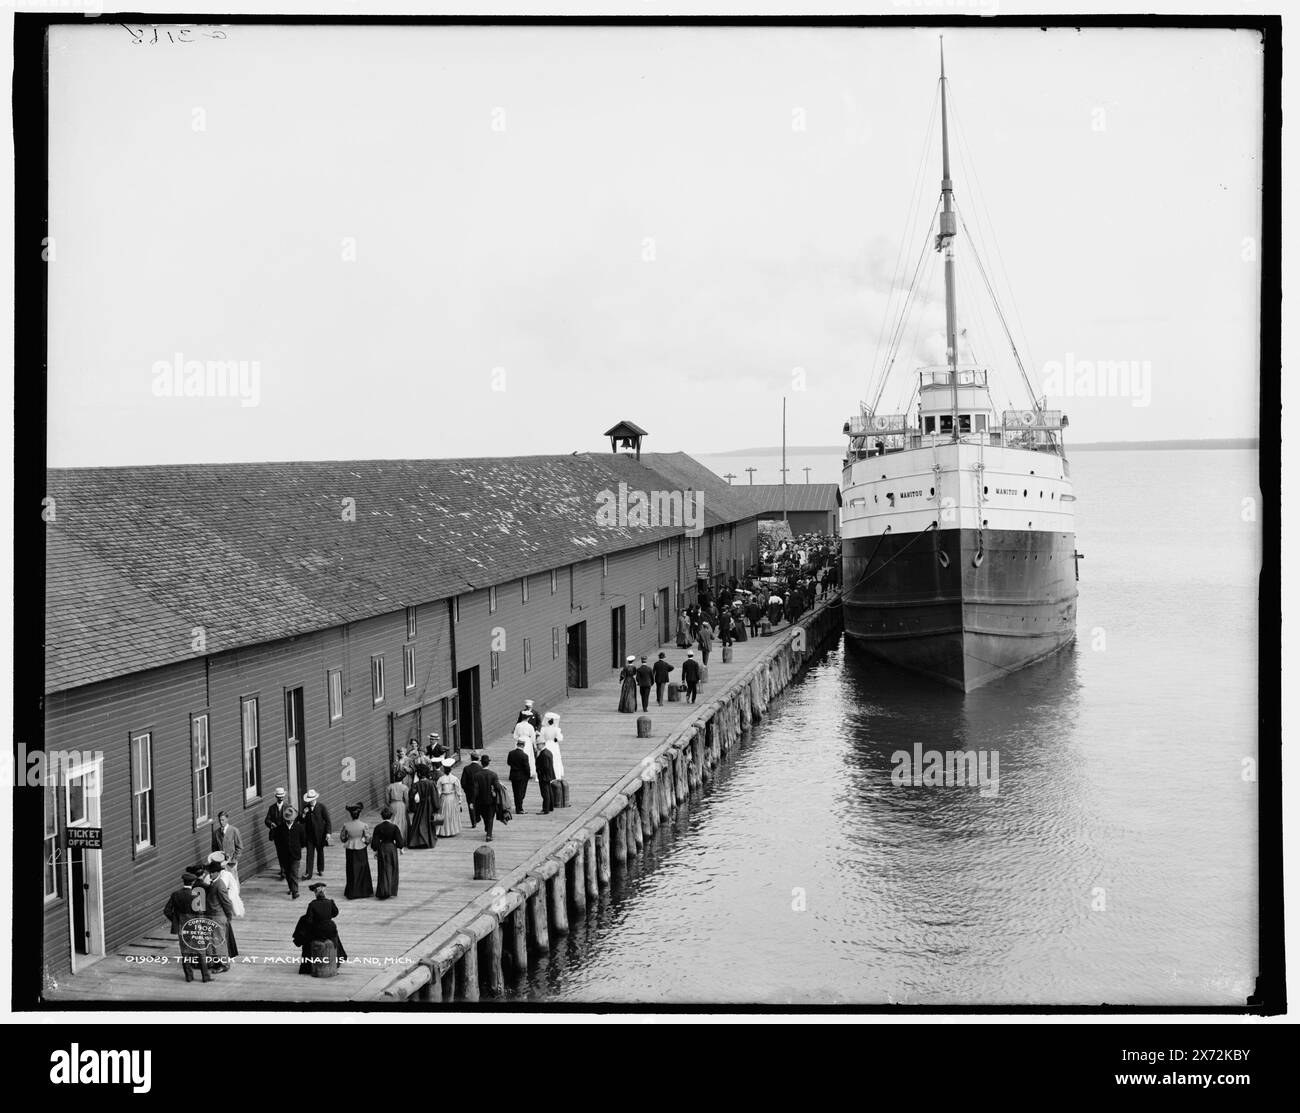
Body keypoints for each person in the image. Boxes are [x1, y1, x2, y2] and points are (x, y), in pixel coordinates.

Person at [162, 871, 213, 983]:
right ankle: (205, 976)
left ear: (183, 882)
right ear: (193, 882)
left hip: (182, 927)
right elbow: (200, 914)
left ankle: (189, 977)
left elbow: (167, 911)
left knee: (185, 952)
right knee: (200, 952)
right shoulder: (196, 895)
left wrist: (176, 921)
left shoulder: (175, 894)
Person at [296, 882, 347, 975]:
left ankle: (307, 965)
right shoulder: (330, 902)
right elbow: (335, 913)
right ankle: (338, 958)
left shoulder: (312, 904)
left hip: (318, 930)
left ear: (315, 894)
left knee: (307, 938)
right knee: (334, 935)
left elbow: (309, 921)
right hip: (330, 928)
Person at [199, 862, 238, 972]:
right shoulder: (214, 883)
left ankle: (224, 964)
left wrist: (229, 916)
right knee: (213, 940)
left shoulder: (219, 885)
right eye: (209, 872)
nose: (210, 874)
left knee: (219, 941)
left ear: (218, 872)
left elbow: (226, 903)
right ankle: (215, 962)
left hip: (218, 917)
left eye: (212, 872)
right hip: (212, 917)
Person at [339, 803, 374, 899]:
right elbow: (368, 838)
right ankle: (364, 891)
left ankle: (352, 891)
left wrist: (348, 839)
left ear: (351, 815)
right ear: (359, 814)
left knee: (351, 869)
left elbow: (342, 838)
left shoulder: (346, 825)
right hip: (361, 848)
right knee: (363, 868)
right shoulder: (364, 825)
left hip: (350, 848)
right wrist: (366, 842)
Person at [271, 805, 305, 899]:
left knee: (294, 872)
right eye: (288, 819)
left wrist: (298, 848)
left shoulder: (299, 827)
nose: (289, 820)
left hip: (295, 854)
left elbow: (303, 841)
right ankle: (291, 887)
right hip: (284, 855)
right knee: (288, 873)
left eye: (291, 819)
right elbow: (276, 840)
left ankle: (295, 891)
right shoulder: (280, 828)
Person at [370, 806, 404, 900]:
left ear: (382, 816)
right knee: (392, 868)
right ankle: (391, 890)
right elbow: (399, 841)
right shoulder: (394, 827)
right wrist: (401, 848)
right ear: (391, 816)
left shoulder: (378, 827)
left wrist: (375, 850)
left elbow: (375, 842)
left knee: (383, 869)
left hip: (382, 848)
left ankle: (383, 890)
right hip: (391, 848)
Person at [298, 790, 331, 880]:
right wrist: (304, 814)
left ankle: (320, 869)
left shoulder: (321, 807)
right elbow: (301, 821)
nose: (311, 801)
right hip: (309, 835)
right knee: (309, 854)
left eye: (312, 799)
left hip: (320, 835)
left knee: (320, 851)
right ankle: (308, 873)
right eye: (309, 799)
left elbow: (327, 821)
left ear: (315, 798)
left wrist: (328, 833)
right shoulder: (306, 807)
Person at [407, 766, 441, 849]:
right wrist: (437, 807)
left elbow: (411, 796)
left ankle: (417, 841)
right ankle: (428, 840)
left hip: (419, 806)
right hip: (429, 807)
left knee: (418, 822)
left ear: (418, 774)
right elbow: (435, 797)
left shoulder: (415, 785)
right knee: (429, 824)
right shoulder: (431, 783)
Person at [207, 851, 244, 918]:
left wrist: (228, 896)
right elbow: (235, 888)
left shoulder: (226, 875)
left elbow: (234, 888)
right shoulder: (226, 874)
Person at [474, 755, 501, 840]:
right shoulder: (493, 774)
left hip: (480, 800)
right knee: (490, 817)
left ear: (481, 763)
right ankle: (489, 834)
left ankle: (487, 828)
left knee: (484, 815)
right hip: (491, 800)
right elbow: (497, 787)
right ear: (488, 763)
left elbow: (475, 789)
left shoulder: (477, 775)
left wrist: (473, 801)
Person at [436, 758, 464, 837]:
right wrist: (460, 801)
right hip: (450, 798)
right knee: (450, 814)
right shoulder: (454, 779)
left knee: (444, 814)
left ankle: (444, 831)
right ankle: (450, 830)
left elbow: (438, 791)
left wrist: (437, 799)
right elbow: (458, 791)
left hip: (445, 798)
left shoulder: (441, 779)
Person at [264, 787, 288, 878]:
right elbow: (266, 820)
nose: (280, 798)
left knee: (285, 852)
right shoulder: (272, 808)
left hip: (286, 834)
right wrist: (271, 823)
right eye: (279, 797)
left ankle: (285, 869)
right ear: (276, 797)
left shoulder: (288, 807)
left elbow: (293, 818)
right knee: (279, 852)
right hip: (277, 834)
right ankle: (282, 869)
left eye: (282, 796)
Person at [210, 811, 242, 877]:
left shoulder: (234, 830)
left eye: (223, 820)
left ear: (227, 819)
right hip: (221, 862)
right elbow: (214, 848)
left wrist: (234, 859)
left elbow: (239, 847)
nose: (221, 822)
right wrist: (217, 860)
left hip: (231, 862)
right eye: (220, 820)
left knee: (233, 880)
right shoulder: (216, 833)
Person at [460, 751, 485, 827]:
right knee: (479, 805)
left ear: (471, 758)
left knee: (471, 805)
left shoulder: (467, 768)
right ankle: (477, 817)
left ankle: (473, 821)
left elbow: (463, 782)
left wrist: (466, 790)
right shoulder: (481, 768)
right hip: (480, 791)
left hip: (470, 791)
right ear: (478, 759)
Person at [507, 738, 532, 814]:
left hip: (514, 775)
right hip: (522, 777)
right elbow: (527, 768)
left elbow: (508, 763)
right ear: (523, 746)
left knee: (516, 793)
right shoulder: (524, 755)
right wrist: (528, 775)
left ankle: (518, 807)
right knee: (521, 793)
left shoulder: (511, 753)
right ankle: (520, 809)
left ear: (517, 745)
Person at [539, 714, 564, 780]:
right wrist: (556, 739)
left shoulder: (543, 729)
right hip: (553, 744)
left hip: (546, 744)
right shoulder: (557, 729)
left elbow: (541, 737)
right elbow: (560, 738)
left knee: (545, 759)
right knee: (555, 758)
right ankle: (555, 773)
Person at [385, 774, 409, 841]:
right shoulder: (404, 787)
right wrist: (406, 807)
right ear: (402, 779)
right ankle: (401, 838)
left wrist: (389, 805)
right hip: (401, 804)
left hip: (392, 804)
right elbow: (406, 799)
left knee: (392, 820)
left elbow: (386, 800)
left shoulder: (389, 787)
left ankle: (392, 837)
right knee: (401, 821)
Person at [535, 739, 556, 815]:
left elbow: (545, 767)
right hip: (548, 776)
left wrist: (540, 774)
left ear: (543, 744)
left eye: (538, 744)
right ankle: (550, 806)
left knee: (545, 793)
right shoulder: (548, 752)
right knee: (549, 791)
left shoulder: (544, 754)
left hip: (544, 776)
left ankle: (545, 809)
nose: (537, 746)